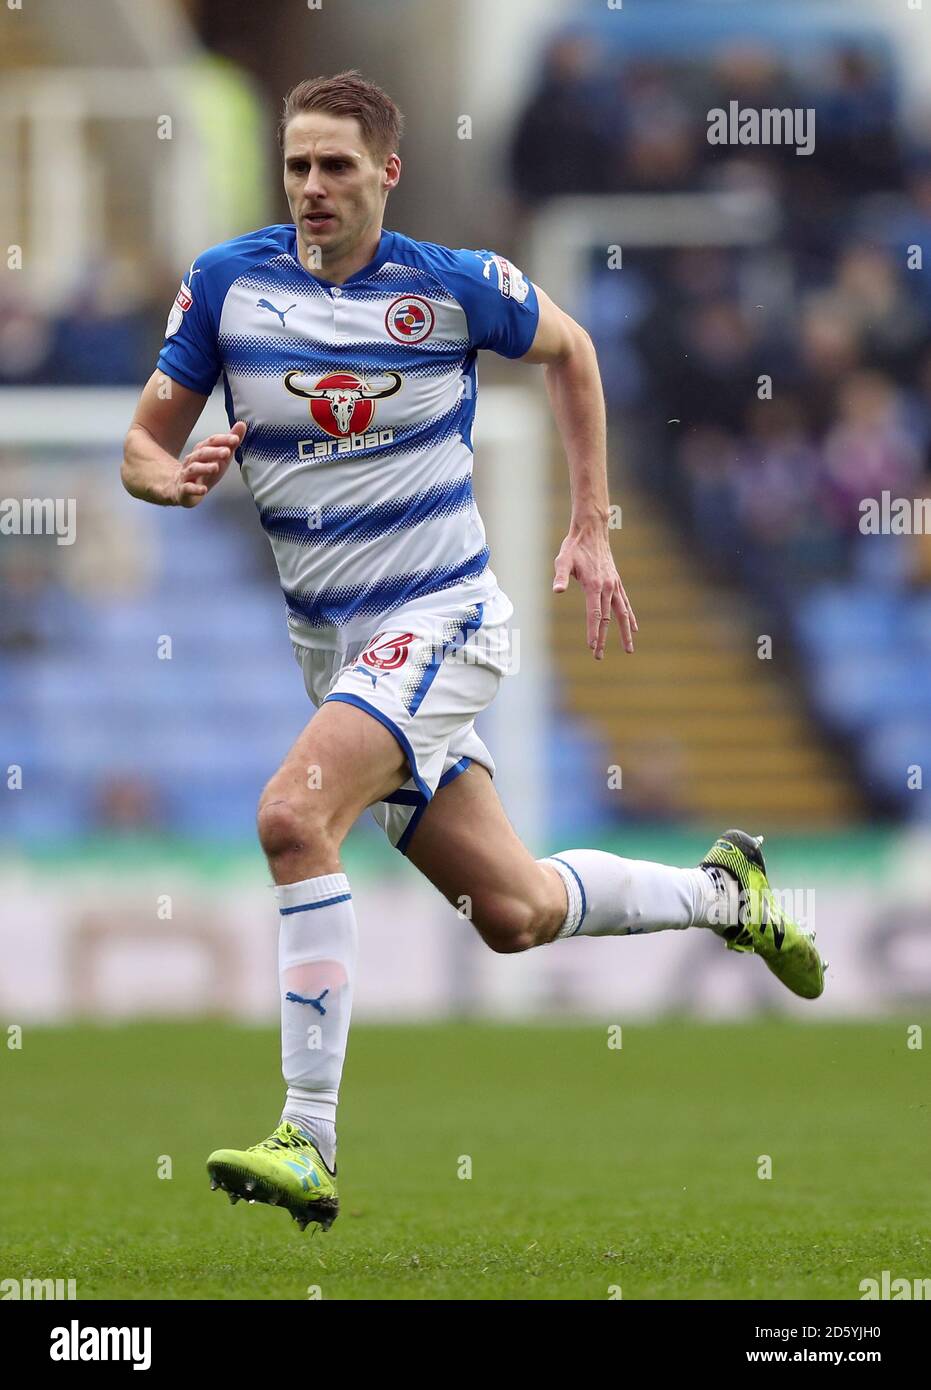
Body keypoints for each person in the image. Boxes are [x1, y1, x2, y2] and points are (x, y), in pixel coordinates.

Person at [122, 71, 824, 1234]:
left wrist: (591, 520)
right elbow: (144, 442)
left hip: (442, 616)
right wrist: (174, 476)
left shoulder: (450, 288)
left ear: (386, 172)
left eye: (335, 165)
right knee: (513, 910)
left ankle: (308, 1134)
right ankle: (722, 891)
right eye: (296, 164)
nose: (311, 186)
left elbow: (573, 349)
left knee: (295, 817)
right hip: (336, 647)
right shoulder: (226, 285)